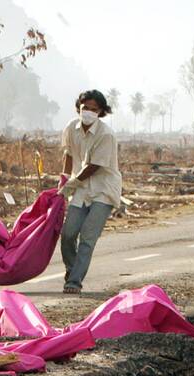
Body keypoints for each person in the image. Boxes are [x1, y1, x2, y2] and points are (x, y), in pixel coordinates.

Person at [59, 90, 122, 294]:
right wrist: (63, 178)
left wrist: (72, 183)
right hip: (81, 188)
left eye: (93, 109)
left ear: (101, 112)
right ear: (79, 107)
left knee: (87, 236)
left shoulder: (106, 135)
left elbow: (94, 166)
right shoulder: (71, 127)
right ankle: (72, 269)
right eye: (85, 108)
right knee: (68, 233)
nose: (88, 112)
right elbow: (68, 154)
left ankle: (74, 282)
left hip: (103, 190)